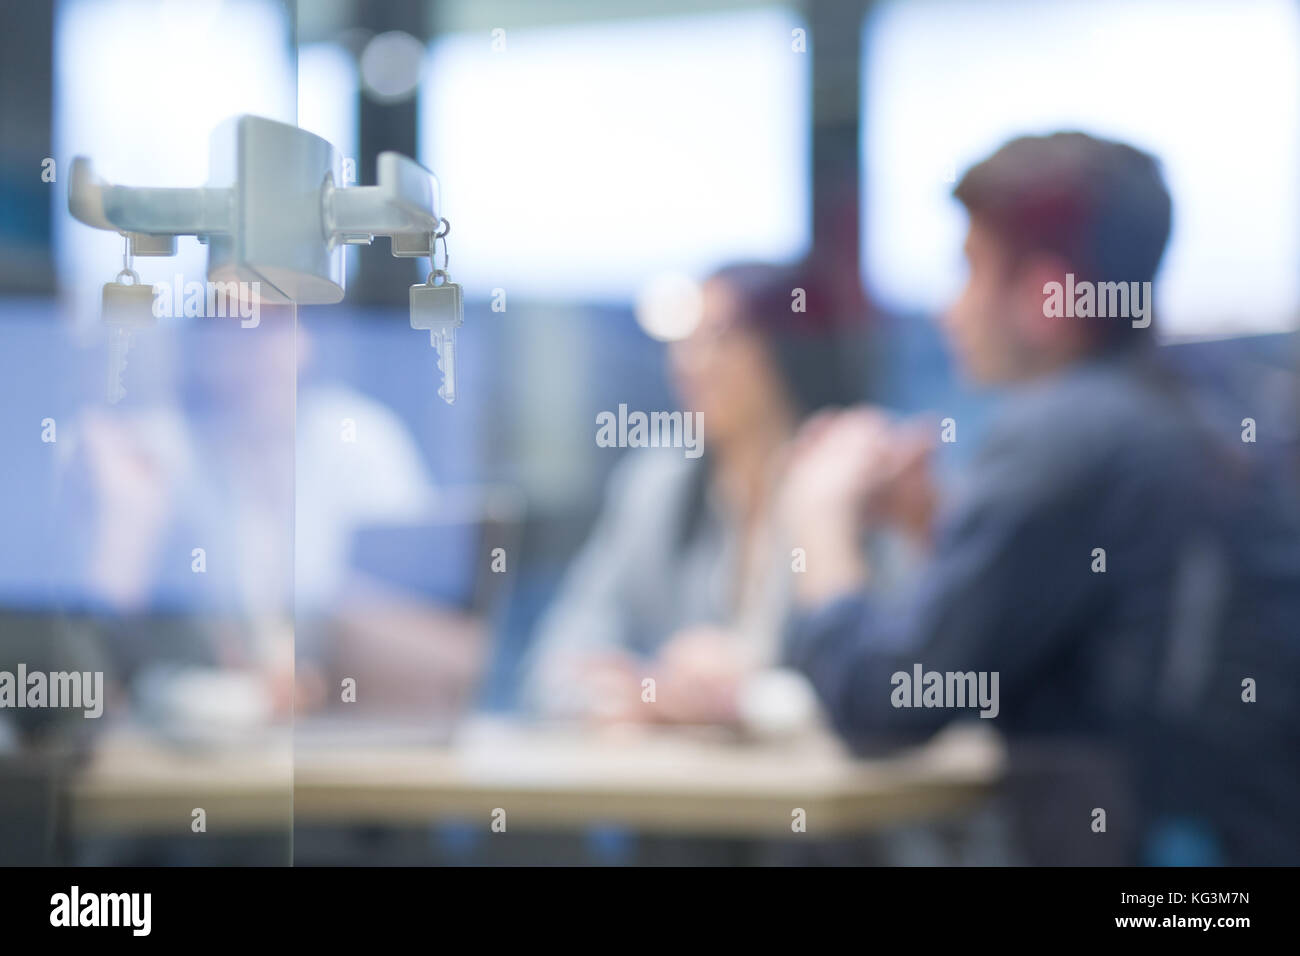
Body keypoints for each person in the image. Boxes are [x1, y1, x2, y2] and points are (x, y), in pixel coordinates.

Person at [778, 132, 1300, 864]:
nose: (948, 311)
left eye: (970, 271)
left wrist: (818, 523)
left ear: (1046, 296)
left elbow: (890, 708)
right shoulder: (1213, 413)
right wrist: (936, 527)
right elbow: (1068, 654)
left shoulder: (1060, 433)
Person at [521, 261, 862, 726]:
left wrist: (748, 698)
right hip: (687, 791)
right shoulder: (658, 485)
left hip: (821, 791)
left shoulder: (851, 474)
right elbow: (553, 665)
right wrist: (640, 694)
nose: (688, 361)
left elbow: (883, 687)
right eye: (684, 340)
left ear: (784, 349)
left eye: (719, 338)